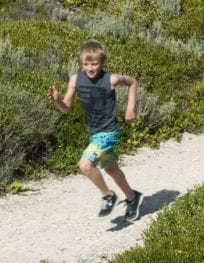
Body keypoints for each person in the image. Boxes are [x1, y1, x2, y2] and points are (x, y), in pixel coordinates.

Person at [49, 40, 143, 221]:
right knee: (111, 168)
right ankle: (132, 197)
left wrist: (130, 109)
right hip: (94, 133)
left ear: (102, 63)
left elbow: (132, 82)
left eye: (94, 64)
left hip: (108, 132)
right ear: (81, 63)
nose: (90, 68)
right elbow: (66, 107)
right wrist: (57, 100)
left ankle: (108, 195)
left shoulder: (111, 79)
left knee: (85, 165)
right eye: (86, 64)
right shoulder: (75, 80)